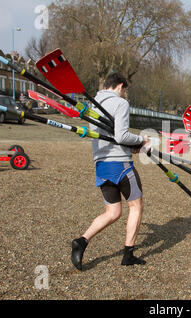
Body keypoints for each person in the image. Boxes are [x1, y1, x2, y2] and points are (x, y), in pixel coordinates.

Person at [71, 73, 150, 271]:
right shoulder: (120, 103)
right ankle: (128, 255)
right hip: (120, 165)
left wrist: (130, 146)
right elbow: (121, 135)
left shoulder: (93, 103)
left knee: (113, 212)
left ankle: (81, 241)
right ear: (120, 86)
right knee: (136, 206)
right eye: (125, 90)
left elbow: (111, 135)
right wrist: (140, 140)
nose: (125, 94)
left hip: (101, 164)